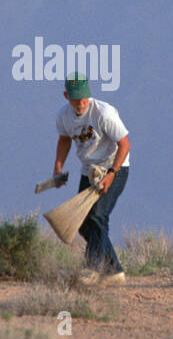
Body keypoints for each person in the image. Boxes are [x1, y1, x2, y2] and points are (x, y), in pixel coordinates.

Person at [53, 72, 131, 285]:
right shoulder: (64, 116)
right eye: (76, 98)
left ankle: (92, 269)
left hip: (116, 167)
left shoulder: (103, 114)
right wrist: (58, 167)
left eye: (84, 97)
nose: (81, 102)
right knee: (83, 222)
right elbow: (64, 140)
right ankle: (114, 272)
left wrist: (111, 174)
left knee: (98, 216)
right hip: (89, 170)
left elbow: (125, 144)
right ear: (66, 96)